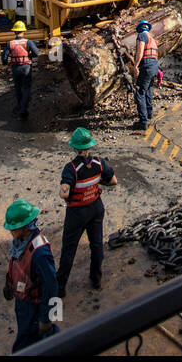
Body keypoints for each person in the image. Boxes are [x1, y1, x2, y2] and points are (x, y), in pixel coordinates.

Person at [56, 128, 115, 298]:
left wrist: (68, 193)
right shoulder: (99, 163)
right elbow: (113, 181)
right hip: (96, 208)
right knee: (96, 245)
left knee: (69, 249)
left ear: (75, 148)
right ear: (90, 146)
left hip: (77, 213)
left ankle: (60, 286)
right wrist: (95, 185)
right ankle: (96, 278)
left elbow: (64, 192)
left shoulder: (71, 168)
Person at [2, 199, 59, 352]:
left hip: (34, 306)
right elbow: (16, 264)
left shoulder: (39, 252)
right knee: (40, 337)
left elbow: (52, 285)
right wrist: (9, 285)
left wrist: (48, 318)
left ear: (25, 227)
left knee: (25, 344)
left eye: (13, 228)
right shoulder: (20, 243)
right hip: (24, 302)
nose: (10, 231)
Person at [0, 21, 39, 118]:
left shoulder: (10, 43)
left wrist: (5, 63)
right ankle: (23, 109)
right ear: (23, 31)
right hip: (26, 67)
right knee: (26, 88)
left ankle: (19, 105)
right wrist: (30, 56)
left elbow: (4, 56)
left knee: (18, 88)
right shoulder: (28, 42)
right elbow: (36, 52)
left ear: (14, 32)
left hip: (15, 67)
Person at [132, 19, 159, 129]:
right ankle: (149, 112)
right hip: (154, 66)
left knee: (140, 92)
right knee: (148, 89)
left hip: (147, 65)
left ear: (139, 29)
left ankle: (143, 122)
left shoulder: (142, 36)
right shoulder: (153, 39)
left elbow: (140, 52)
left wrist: (136, 66)